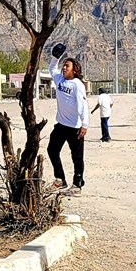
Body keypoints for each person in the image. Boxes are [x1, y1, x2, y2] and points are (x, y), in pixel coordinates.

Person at [48, 44, 88, 192]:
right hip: (61, 125)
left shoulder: (77, 85)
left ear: (75, 70)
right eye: (64, 65)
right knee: (52, 150)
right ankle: (60, 179)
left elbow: (83, 105)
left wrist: (84, 125)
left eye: (67, 66)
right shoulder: (59, 79)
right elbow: (52, 69)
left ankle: (77, 184)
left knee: (77, 157)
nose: (64, 68)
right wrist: (55, 57)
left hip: (75, 127)